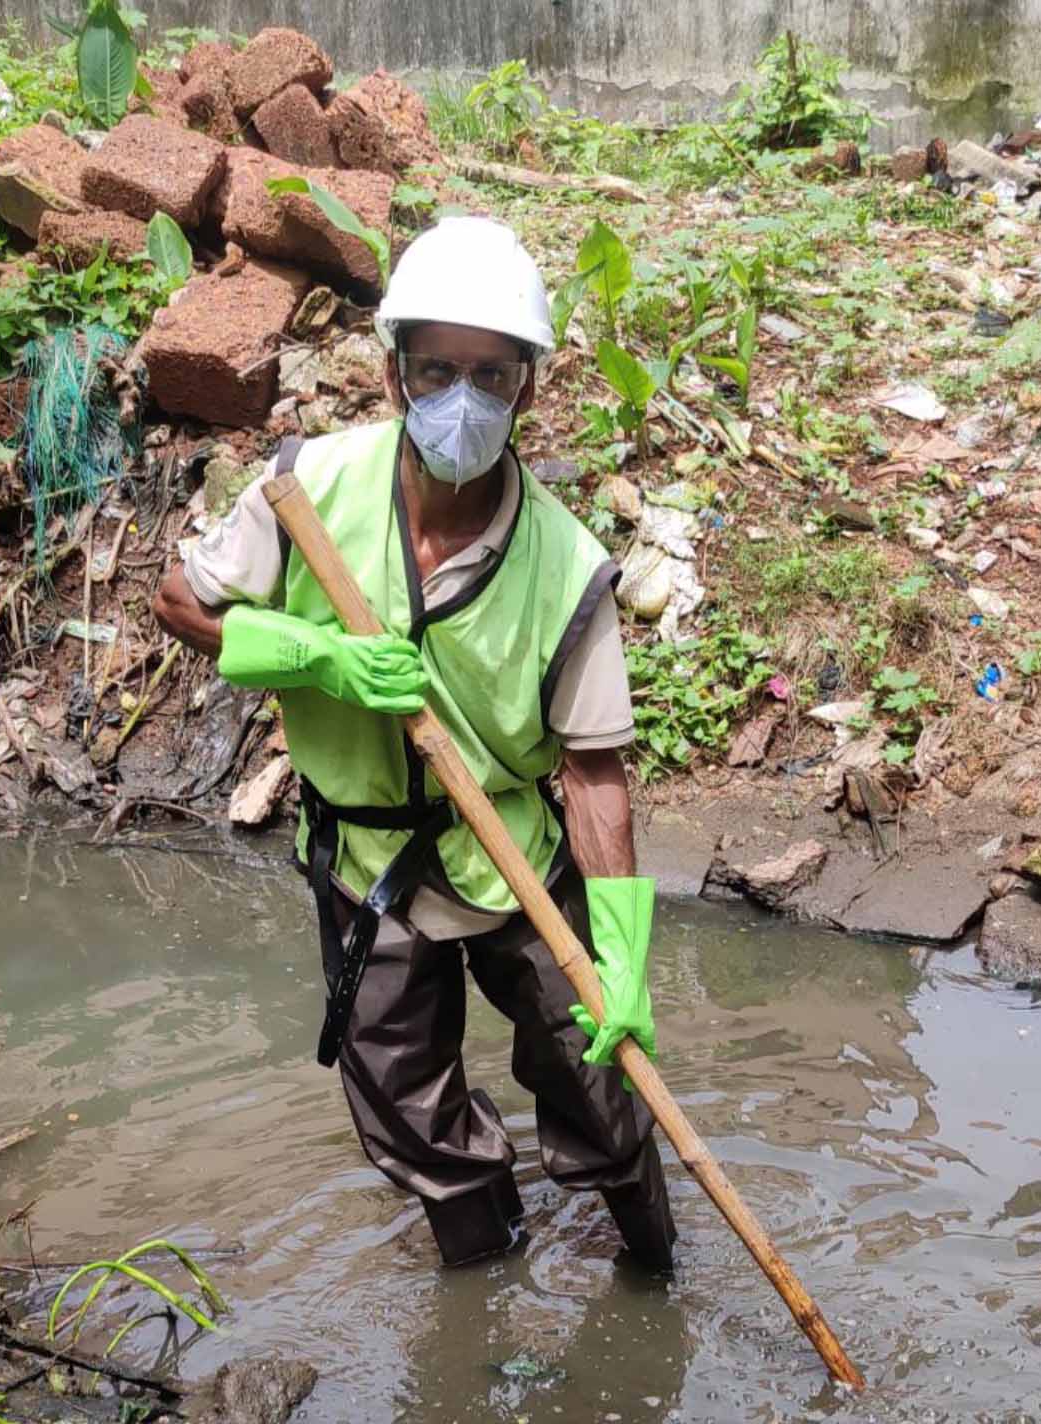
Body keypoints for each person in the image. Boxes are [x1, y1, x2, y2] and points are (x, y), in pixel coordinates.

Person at [153, 216, 675, 1270]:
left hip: (512, 860)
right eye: (436, 369)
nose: (461, 398)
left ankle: (652, 1270)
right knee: (405, 1107)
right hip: (366, 860)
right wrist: (305, 651)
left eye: (490, 374)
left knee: (597, 1076)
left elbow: (593, 770)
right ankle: (480, 1291)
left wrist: (619, 949)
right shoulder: (310, 491)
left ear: (526, 385)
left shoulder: (564, 566)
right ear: (393, 374)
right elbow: (181, 599)